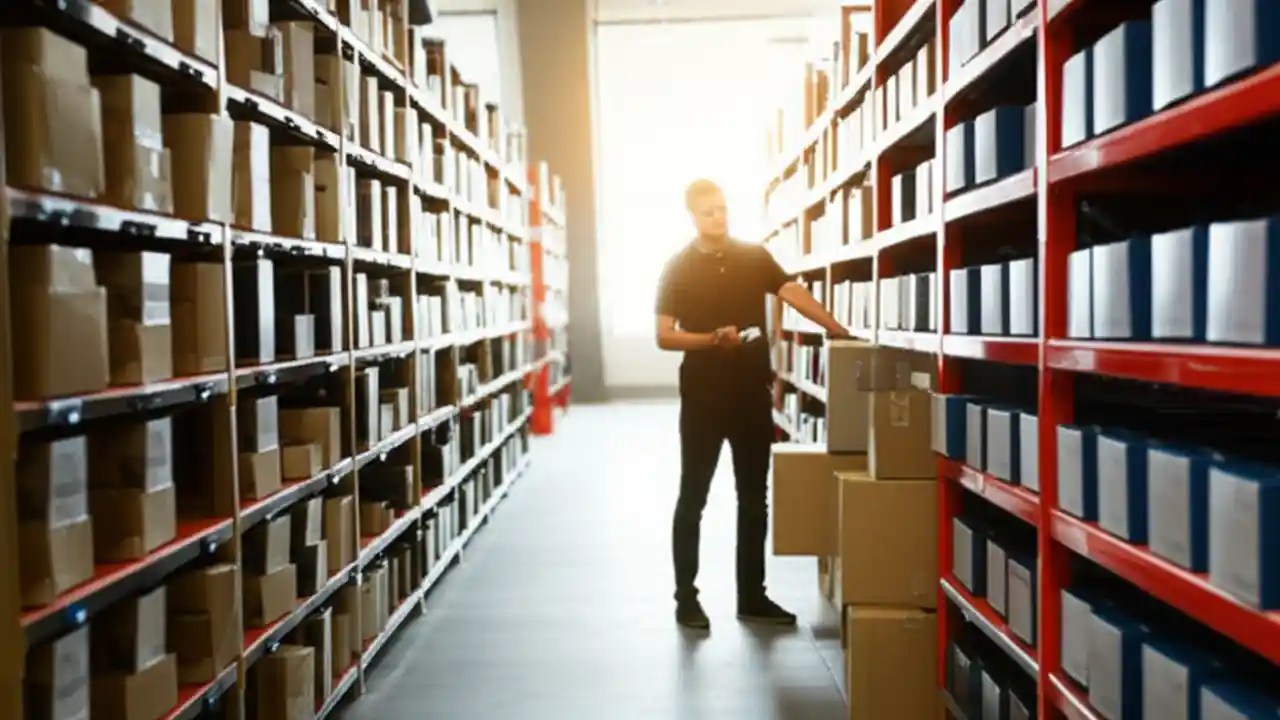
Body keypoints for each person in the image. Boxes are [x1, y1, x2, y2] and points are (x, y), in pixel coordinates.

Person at [655, 179, 851, 630]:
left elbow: (791, 291)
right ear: (693, 216)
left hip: (750, 395)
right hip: (703, 399)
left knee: (754, 499)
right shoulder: (677, 268)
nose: (718, 217)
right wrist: (711, 339)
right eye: (708, 212)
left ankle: (752, 595)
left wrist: (836, 328)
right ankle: (686, 598)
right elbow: (664, 335)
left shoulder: (752, 256)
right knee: (693, 497)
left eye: (722, 208)